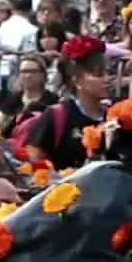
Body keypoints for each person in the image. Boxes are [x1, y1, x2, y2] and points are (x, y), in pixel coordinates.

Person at [22, 36, 111, 169]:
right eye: (98, 74)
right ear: (77, 81)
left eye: (107, 72)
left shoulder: (115, 114)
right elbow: (36, 161)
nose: (107, 79)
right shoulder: (56, 115)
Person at [0, 55, 59, 141]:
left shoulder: (54, 101)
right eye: (24, 71)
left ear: (42, 75)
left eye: (33, 71)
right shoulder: (13, 98)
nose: (28, 75)